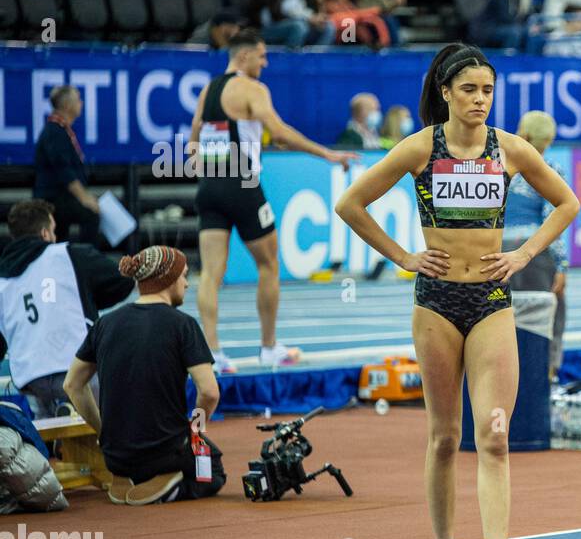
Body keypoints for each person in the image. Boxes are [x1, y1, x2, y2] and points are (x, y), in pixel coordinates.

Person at [334, 43, 579, 539]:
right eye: (469, 89)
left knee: (493, 434)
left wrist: (521, 255)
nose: (480, 100)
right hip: (436, 304)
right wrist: (403, 256)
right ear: (445, 92)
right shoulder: (422, 147)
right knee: (445, 436)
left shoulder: (510, 150)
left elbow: (566, 204)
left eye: (488, 90)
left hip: (491, 299)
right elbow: (351, 204)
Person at [188, 29, 359, 375]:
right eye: (262, 56)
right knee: (268, 266)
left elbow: (193, 140)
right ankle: (268, 347)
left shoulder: (208, 90)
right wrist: (326, 154)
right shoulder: (253, 89)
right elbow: (278, 132)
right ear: (245, 55)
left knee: (210, 275)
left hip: (210, 185)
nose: (265, 63)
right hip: (243, 185)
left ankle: (214, 354)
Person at [62, 246, 226, 505]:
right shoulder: (182, 325)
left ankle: (130, 478)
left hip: (115, 453)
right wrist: (195, 430)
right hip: (165, 451)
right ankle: (170, 485)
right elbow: (209, 391)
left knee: (165, 449)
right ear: (168, 279)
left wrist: (103, 431)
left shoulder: (105, 323)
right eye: (183, 276)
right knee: (212, 468)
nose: (186, 284)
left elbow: (72, 384)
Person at [0, 200, 134, 418]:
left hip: (29, 377)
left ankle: (56, 427)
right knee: (108, 429)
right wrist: (87, 299)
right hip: (77, 370)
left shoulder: (2, 279)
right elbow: (122, 281)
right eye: (53, 231)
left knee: (48, 441)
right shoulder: (67, 255)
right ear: (44, 233)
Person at [501, 111, 570, 381]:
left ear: (524, 135)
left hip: (497, 250)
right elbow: (553, 219)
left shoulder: (501, 167)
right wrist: (562, 265)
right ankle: (547, 371)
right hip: (533, 251)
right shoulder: (548, 170)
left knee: (501, 313)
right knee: (552, 310)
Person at [32, 86, 99, 245]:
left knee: (61, 235)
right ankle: (86, 261)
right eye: (78, 99)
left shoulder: (61, 130)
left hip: (61, 198)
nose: (81, 103)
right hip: (52, 200)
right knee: (90, 214)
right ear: (68, 105)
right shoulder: (54, 132)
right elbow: (64, 171)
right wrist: (84, 198)